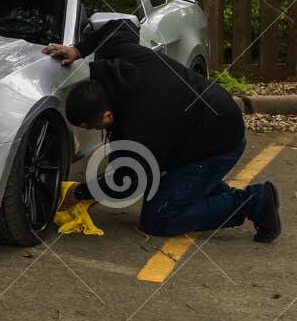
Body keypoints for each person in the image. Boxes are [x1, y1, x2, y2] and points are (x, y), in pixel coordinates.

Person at [43, 18, 280, 242]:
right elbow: (121, 24)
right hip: (194, 125)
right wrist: (79, 50)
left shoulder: (144, 122)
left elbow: (134, 178)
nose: (96, 130)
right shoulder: (117, 58)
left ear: (107, 114)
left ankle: (254, 201)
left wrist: (81, 193)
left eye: (94, 126)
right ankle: (203, 191)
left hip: (218, 142)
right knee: (121, 155)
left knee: (159, 218)